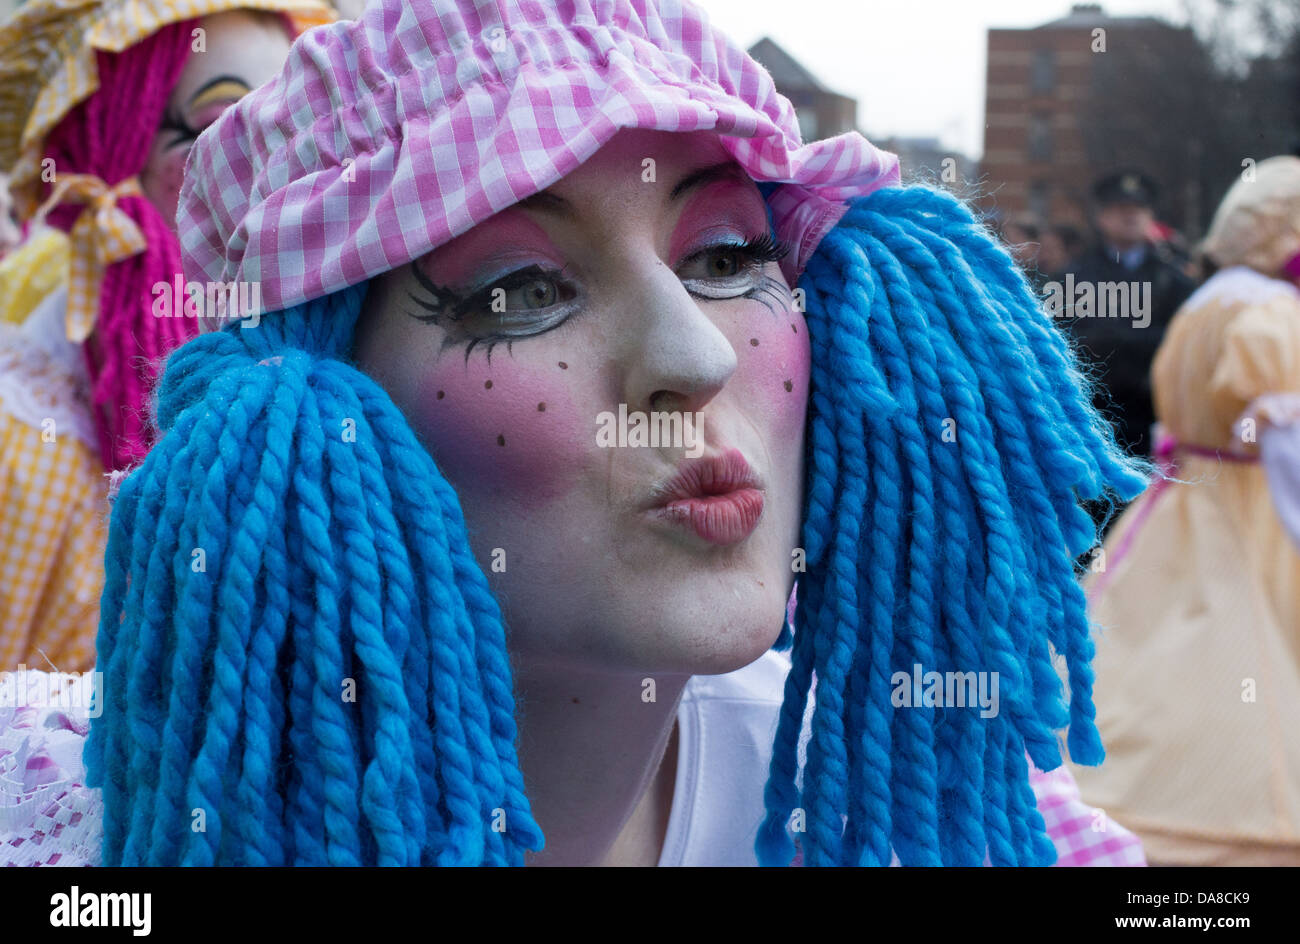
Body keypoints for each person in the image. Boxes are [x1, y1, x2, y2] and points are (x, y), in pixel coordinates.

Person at [3, 0, 1149, 867]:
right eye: (516, 292)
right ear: (302, 423)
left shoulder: (945, 824)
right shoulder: (46, 819)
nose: (696, 357)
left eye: (726, 257)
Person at [0, 0, 335, 672]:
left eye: (292, 123)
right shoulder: (23, 441)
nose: (276, 165)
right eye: (225, 127)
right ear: (115, 145)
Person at [1071, 156, 1300, 866]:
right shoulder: (1269, 314)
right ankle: (1224, 807)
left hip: (1183, 498)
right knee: (1242, 650)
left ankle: (1112, 786)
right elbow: (1284, 438)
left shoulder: (1202, 299)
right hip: (1248, 504)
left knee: (1152, 650)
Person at [1058, 170, 1196, 458]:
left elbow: (1187, 341)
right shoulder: (1073, 277)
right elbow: (1060, 339)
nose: (1131, 216)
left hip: (1154, 412)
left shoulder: (1173, 279)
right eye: (1121, 209)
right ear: (1101, 217)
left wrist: (1118, 339)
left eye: (1139, 209)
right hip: (1093, 412)